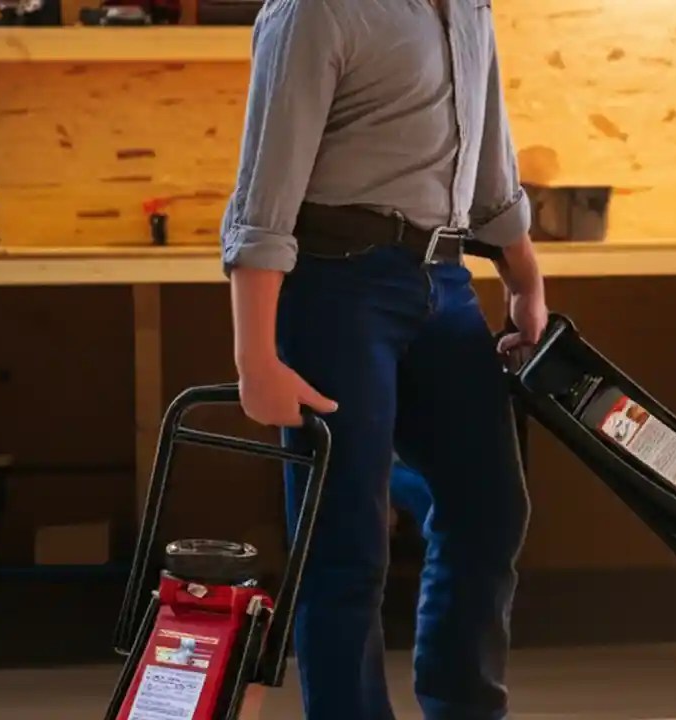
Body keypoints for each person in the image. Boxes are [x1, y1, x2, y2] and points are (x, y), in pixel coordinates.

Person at [218, 0, 547, 717]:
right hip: (337, 285)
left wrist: (524, 279)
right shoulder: (313, 11)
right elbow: (264, 193)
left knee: (490, 510)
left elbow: (489, 152)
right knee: (345, 541)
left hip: (446, 280)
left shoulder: (467, 7)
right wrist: (256, 358)